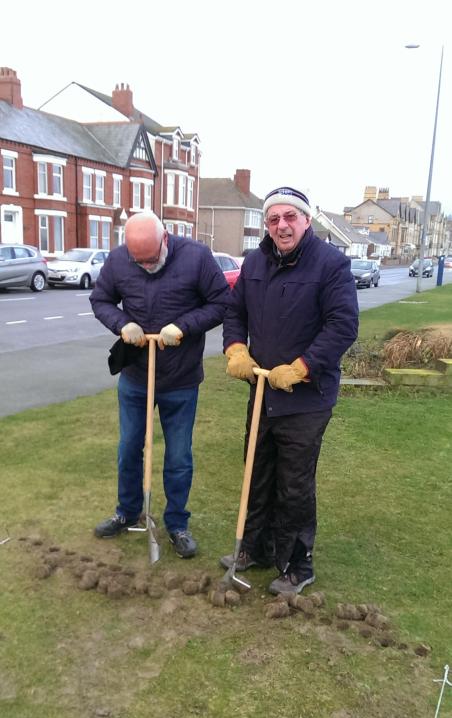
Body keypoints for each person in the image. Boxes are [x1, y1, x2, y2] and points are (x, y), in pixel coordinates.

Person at [221, 187, 359, 593]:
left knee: (294, 481)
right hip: (262, 388)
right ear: (267, 225)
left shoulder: (331, 265)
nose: (281, 225)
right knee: (256, 469)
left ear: (306, 220)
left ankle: (298, 564)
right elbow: (235, 311)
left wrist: (302, 367)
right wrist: (236, 349)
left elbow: (342, 325)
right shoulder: (255, 262)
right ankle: (255, 548)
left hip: (306, 399)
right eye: (273, 219)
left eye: (289, 217)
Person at [90, 211, 230, 558]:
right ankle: (127, 511)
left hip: (180, 378)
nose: (146, 266)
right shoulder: (120, 259)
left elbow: (221, 303)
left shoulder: (196, 257)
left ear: (165, 239)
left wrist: (183, 326)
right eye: (139, 261)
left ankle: (177, 524)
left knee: (179, 456)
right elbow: (100, 299)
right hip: (136, 375)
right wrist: (122, 324)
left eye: (151, 259)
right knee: (128, 449)